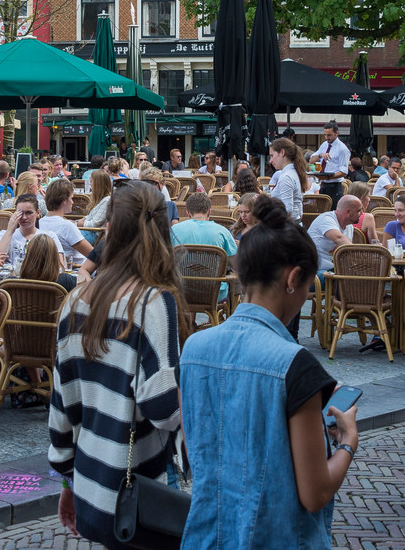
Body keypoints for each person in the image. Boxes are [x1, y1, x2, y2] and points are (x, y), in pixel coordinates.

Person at [180, 195, 359, 549]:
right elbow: (315, 492)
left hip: (207, 536)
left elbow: (195, 453)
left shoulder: (193, 350)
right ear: (293, 278)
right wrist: (348, 442)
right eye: (308, 287)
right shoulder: (296, 365)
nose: (306, 295)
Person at [49, 180, 186, 547]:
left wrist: (68, 481)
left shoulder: (74, 300)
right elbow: (163, 408)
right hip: (140, 493)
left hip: (92, 485)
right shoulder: (152, 303)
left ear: (110, 230)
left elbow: (63, 405)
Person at [172, 193, 237, 301]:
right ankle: (212, 317)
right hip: (214, 293)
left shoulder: (175, 230)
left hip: (181, 291)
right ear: (209, 212)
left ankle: (189, 318)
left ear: (188, 213)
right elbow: (234, 262)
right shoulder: (222, 231)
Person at [306, 194, 366, 276]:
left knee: (362, 279)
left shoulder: (349, 227)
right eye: (359, 210)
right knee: (342, 282)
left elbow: (347, 255)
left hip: (334, 269)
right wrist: (360, 258)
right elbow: (339, 238)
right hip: (316, 271)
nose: (362, 213)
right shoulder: (326, 219)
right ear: (348, 212)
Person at [38, 179, 94, 267]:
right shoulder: (66, 226)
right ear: (64, 201)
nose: (72, 202)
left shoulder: (39, 223)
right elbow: (92, 255)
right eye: (71, 198)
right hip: (76, 271)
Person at [0, 193, 43, 268]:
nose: (24, 217)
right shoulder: (4, 234)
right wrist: (9, 231)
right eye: (20, 213)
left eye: (29, 213)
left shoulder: (47, 236)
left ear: (37, 213)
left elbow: (59, 267)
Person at [309, 121, 351, 207]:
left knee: (333, 212)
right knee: (321, 211)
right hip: (323, 184)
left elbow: (344, 172)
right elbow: (311, 161)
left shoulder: (342, 149)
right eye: (325, 135)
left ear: (336, 133)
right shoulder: (324, 145)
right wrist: (320, 155)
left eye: (329, 135)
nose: (326, 137)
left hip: (334, 186)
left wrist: (328, 177)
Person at [269, 137, 308, 224]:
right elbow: (298, 207)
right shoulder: (295, 172)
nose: (270, 161)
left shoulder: (286, 176)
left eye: (272, 156)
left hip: (285, 228)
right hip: (293, 225)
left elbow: (287, 209)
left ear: (282, 153)